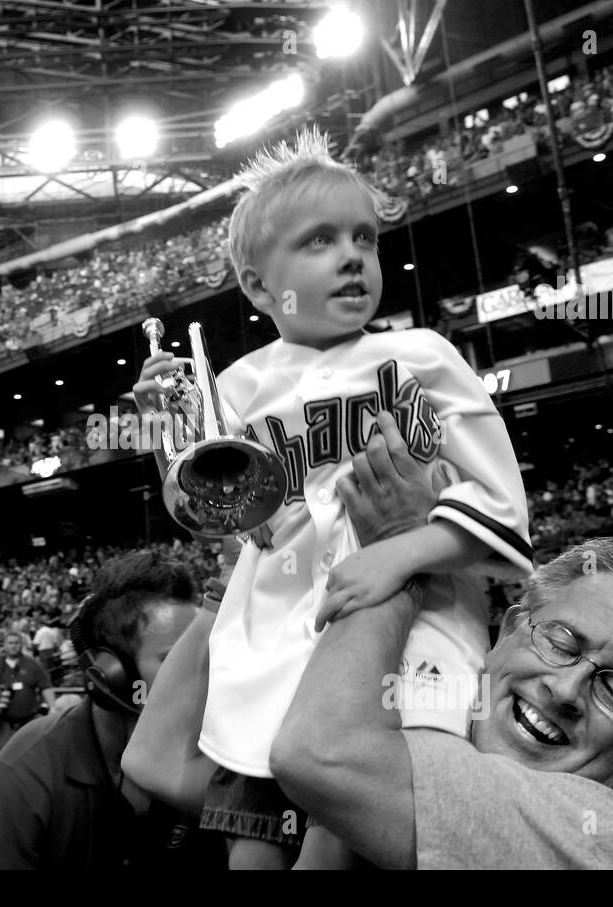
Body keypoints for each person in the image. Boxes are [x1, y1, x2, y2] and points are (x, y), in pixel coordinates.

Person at [132, 126, 532, 868]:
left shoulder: (422, 358)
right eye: (319, 241)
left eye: (364, 238)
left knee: (340, 840)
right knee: (250, 849)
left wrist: (403, 553)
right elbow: (214, 511)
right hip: (271, 636)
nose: (352, 255)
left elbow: (501, 506)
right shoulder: (237, 385)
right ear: (258, 285)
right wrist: (171, 425)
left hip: (410, 625)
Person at [129, 416, 613, 868]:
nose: (566, 688)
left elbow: (319, 754)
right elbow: (155, 761)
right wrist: (249, 567)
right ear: (504, 632)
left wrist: (396, 546)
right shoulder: (402, 720)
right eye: (561, 640)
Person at [0, 551, 225, 869]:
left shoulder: (222, 753)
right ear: (113, 675)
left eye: (205, 654)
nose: (205, 674)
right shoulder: (24, 771)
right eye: (174, 658)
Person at [0, 632, 56, 743]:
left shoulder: (32, 664)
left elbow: (46, 686)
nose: (13, 646)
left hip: (28, 720)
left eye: (16, 643)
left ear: (21, 645)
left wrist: (53, 707)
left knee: (29, 751)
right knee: (5, 754)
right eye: (10, 643)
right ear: (4, 645)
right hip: (3, 722)